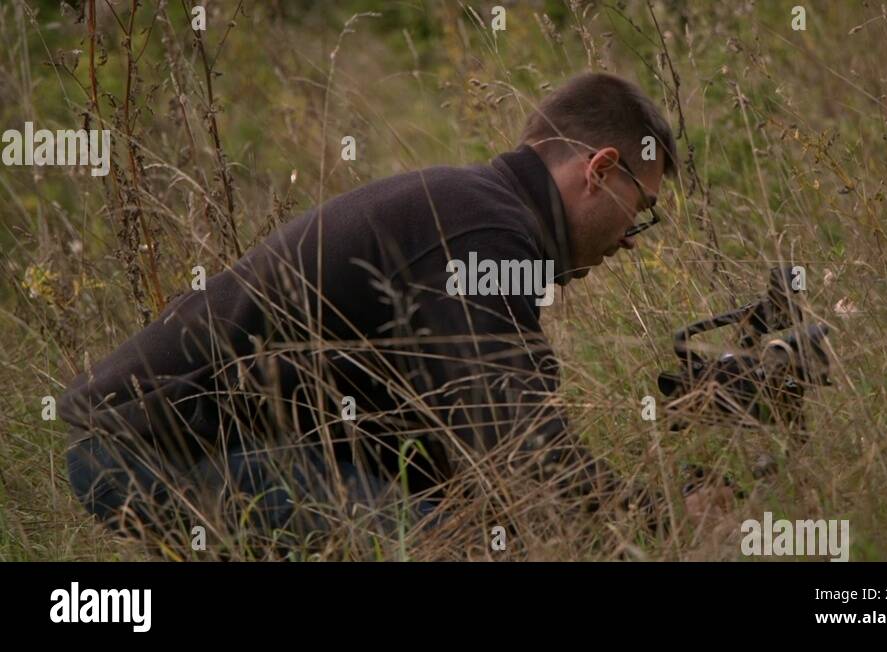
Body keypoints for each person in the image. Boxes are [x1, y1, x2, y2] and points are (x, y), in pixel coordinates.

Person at [59, 72, 685, 553]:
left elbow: (461, 439)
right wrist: (659, 524)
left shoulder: (477, 213)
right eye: (643, 208)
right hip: (148, 448)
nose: (634, 237)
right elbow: (516, 434)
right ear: (600, 169)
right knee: (442, 550)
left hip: (175, 443)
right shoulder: (484, 229)